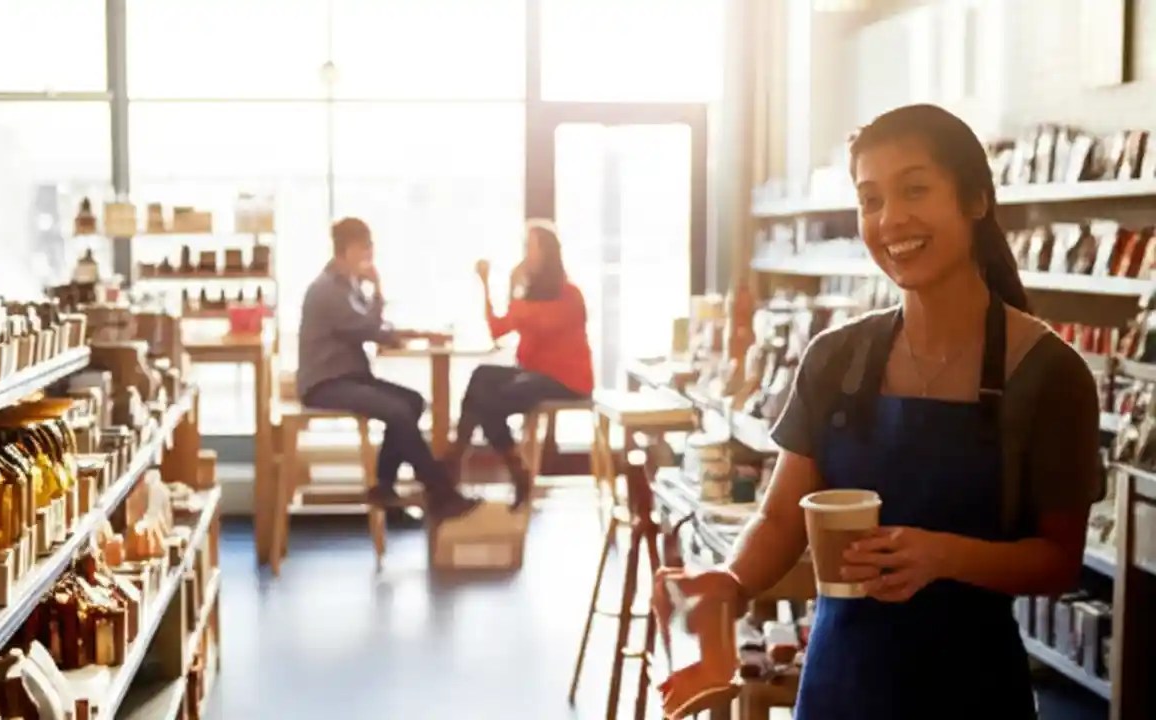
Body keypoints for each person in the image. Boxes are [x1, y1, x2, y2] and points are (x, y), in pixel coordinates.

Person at [653, 104, 1102, 719]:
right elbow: (782, 519)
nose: (890, 219)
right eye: (870, 200)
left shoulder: (1050, 375)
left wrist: (942, 554)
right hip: (841, 685)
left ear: (975, 199)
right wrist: (730, 585)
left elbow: (1057, 559)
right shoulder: (836, 360)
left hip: (972, 692)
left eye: (915, 189)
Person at [297, 217, 478, 520]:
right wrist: (379, 290)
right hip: (325, 384)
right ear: (350, 248)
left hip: (349, 377)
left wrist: (413, 333)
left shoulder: (347, 284)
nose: (370, 252)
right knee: (397, 411)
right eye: (365, 246)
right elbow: (368, 328)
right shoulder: (328, 289)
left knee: (413, 402)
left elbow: (371, 326)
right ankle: (440, 491)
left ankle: (385, 484)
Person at [442, 220, 594, 509]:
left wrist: (514, 290)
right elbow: (499, 329)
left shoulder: (569, 295)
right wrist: (487, 286)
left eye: (530, 248)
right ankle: (460, 455)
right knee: (482, 377)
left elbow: (540, 322)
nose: (525, 256)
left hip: (567, 380)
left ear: (546, 254)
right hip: (535, 373)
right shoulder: (531, 295)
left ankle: (505, 468)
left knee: (490, 403)